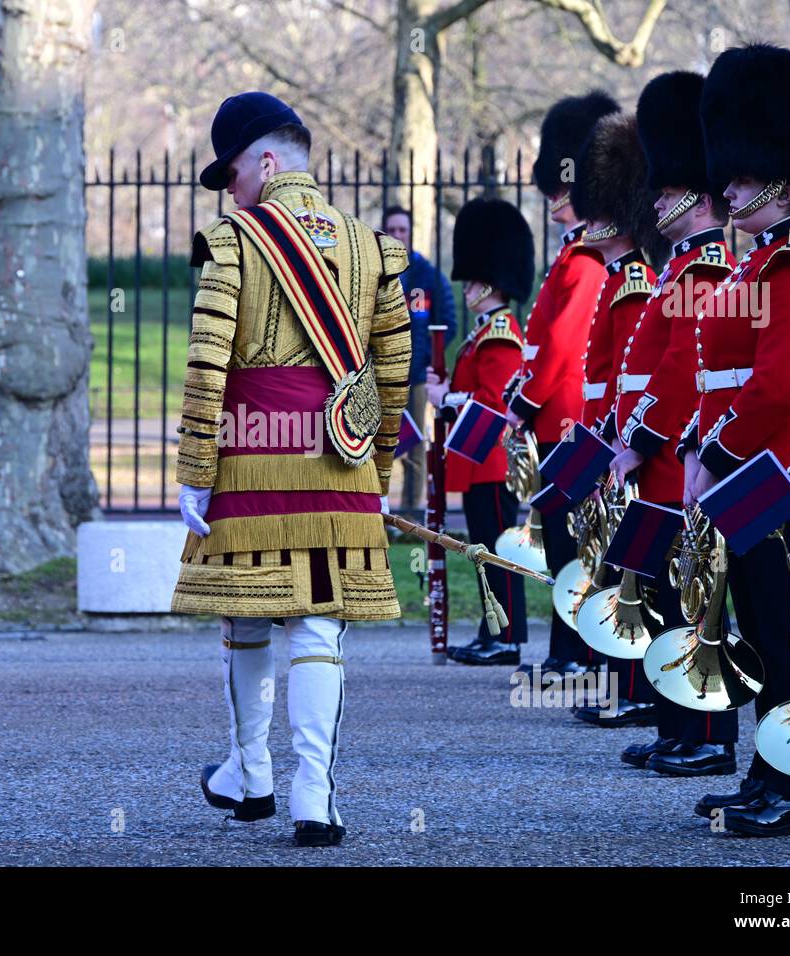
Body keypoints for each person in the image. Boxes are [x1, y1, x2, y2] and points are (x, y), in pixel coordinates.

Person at [171, 91, 411, 847]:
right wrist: (376, 457)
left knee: (245, 614)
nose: (229, 189)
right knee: (318, 628)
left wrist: (195, 465)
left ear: (268, 162)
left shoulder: (234, 241)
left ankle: (251, 773)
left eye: (233, 172)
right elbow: (394, 367)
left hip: (250, 452)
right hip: (339, 461)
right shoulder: (372, 247)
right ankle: (316, 795)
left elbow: (208, 361)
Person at [674, 43, 790, 834]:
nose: (728, 189)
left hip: (770, 477)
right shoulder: (761, 264)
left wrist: (713, 454)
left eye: (740, 177)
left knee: (782, 634)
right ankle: (770, 770)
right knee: (759, 629)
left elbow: (780, 389)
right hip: (744, 472)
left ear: (779, 174)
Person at [607, 72, 738, 769]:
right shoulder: (682, 268)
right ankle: (679, 726)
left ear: (693, 192)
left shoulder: (707, 270)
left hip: (671, 462)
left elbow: (688, 372)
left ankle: (709, 737)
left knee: (692, 598)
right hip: (650, 459)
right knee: (661, 592)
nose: (657, 200)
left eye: (665, 190)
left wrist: (648, 440)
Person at [566, 110, 676, 730]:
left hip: (635, 446)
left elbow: (636, 380)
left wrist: (617, 433)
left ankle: (637, 690)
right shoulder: (617, 280)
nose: (587, 219)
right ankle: (630, 687)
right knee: (620, 561)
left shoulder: (634, 280)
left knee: (639, 568)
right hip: (613, 439)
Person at [505, 91, 618, 682]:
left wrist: (526, 401)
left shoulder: (585, 262)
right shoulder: (575, 257)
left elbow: (563, 351)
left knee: (575, 541)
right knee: (563, 538)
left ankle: (574, 651)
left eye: (561, 188)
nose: (554, 200)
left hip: (568, 419)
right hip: (559, 419)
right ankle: (568, 648)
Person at [427, 198, 532, 666]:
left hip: (492, 462)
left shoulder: (501, 333)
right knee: (484, 549)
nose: (465, 287)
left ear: (488, 283)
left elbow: (496, 401)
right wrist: (449, 390)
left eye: (471, 281)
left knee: (496, 550)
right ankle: (494, 633)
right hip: (477, 462)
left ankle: (505, 638)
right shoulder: (483, 332)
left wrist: (446, 399)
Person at [382, 205, 455, 514]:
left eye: (403, 230)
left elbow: (448, 322)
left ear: (411, 233)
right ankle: (379, 509)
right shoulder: (378, 271)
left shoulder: (428, 275)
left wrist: (427, 356)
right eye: (393, 230)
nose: (398, 235)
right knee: (381, 442)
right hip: (380, 376)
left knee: (413, 446)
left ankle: (411, 514)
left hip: (416, 377)